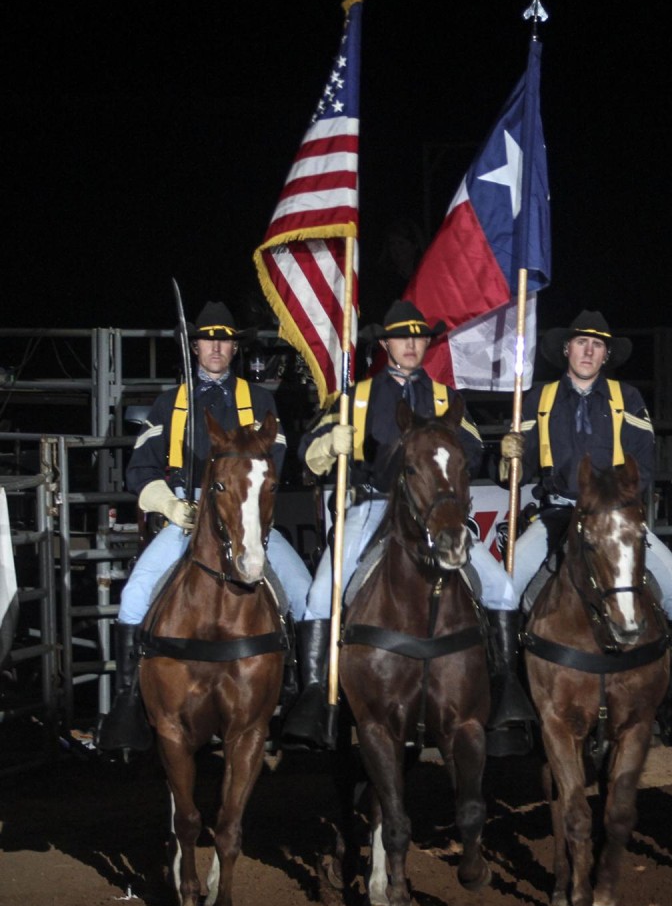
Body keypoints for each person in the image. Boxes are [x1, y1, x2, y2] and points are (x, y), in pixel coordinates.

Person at [287, 299, 524, 749]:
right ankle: (316, 698)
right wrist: (329, 446)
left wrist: (495, 450)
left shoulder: (443, 396)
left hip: (435, 509)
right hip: (372, 505)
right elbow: (307, 453)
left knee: (501, 588)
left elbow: (472, 450)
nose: (412, 344)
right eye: (402, 337)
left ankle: (505, 689)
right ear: (386, 344)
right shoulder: (354, 396)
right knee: (320, 594)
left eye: (419, 337)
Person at [498, 310, 672, 743]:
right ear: (567, 349)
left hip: (616, 520)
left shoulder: (629, 399)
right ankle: (509, 694)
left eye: (597, 345)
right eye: (581, 342)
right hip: (558, 514)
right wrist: (509, 456)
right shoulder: (537, 399)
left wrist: (619, 507)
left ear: (606, 356)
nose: (588, 351)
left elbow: (643, 461)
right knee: (506, 588)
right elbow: (519, 472)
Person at [97, 302, 313, 751]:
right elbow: (140, 469)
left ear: (235, 348)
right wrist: (170, 505)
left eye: (225, 340)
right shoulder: (169, 402)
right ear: (195, 345)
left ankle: (299, 697)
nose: (216, 347)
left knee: (305, 590)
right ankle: (128, 702)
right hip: (189, 513)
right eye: (208, 339)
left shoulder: (261, 400)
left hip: (246, 513)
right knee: (135, 595)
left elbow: (272, 464)